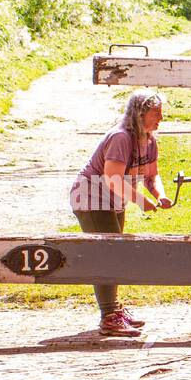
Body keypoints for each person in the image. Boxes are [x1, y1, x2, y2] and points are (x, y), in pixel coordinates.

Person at [68, 90, 172, 337]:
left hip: (114, 200)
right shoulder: (121, 138)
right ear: (140, 113)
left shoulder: (149, 140)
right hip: (92, 198)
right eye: (155, 113)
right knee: (108, 254)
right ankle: (109, 316)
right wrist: (140, 200)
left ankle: (114, 309)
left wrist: (159, 195)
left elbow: (151, 175)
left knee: (116, 252)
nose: (160, 118)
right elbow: (113, 177)